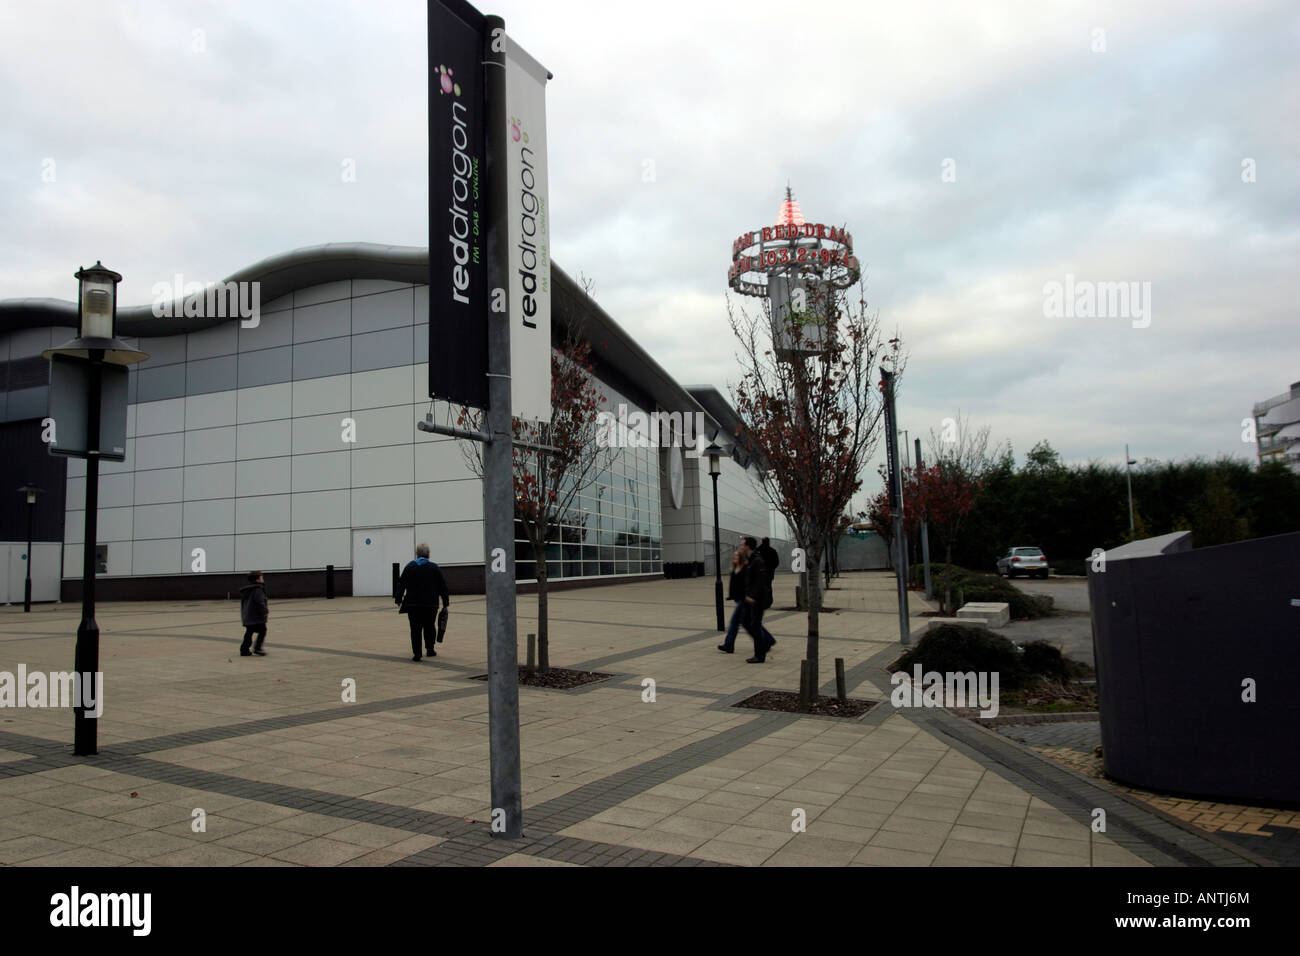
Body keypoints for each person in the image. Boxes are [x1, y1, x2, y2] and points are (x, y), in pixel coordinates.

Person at [395, 543, 450, 661]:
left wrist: (398, 599)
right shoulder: (434, 568)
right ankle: (430, 649)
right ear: (428, 554)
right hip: (430, 604)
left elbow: (401, 583)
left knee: (415, 628)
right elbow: (442, 586)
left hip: (413, 604)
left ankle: (417, 653)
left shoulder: (410, 567)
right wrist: (445, 601)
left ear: (417, 554)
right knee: (429, 626)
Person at [740, 537, 775, 663]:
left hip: (757, 599)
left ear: (748, 546)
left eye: (743, 545)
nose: (741, 547)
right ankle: (766, 643)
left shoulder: (757, 560)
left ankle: (760, 654)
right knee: (746, 621)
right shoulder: (751, 559)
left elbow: (760, 581)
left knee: (755, 624)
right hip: (751, 597)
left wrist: (752, 595)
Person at [717, 547, 748, 653]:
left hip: (744, 600)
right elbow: (734, 585)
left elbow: (745, 585)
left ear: (741, 558)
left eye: (736, 556)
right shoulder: (735, 568)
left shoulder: (744, 569)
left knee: (735, 623)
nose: (734, 557)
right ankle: (768, 640)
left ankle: (729, 645)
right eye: (734, 556)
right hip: (739, 599)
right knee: (747, 623)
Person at [239, 571, 268, 657]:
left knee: (249, 631)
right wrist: (265, 611)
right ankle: (257, 648)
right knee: (263, 630)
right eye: (261, 577)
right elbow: (260, 602)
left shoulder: (247, 589)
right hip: (255, 616)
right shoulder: (257, 589)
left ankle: (244, 650)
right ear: (258, 579)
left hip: (248, 615)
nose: (263, 579)